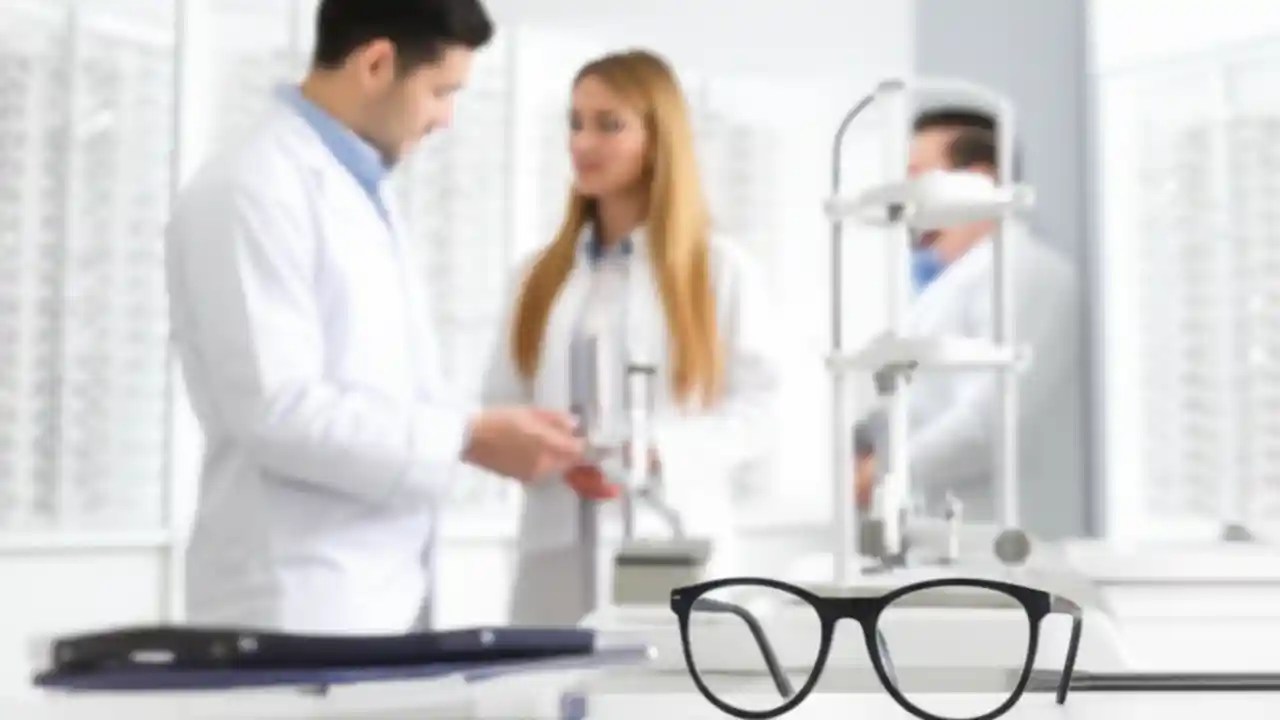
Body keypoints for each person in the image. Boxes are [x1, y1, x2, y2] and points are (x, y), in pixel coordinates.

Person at [165, 0, 586, 633]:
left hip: (382, 590)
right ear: (376, 63)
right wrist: (466, 436)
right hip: (296, 602)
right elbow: (277, 410)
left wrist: (477, 437)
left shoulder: (363, 191)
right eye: (441, 92)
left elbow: (380, 389)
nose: (446, 119)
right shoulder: (253, 187)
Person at [482, 50, 781, 625]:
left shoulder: (718, 270)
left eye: (608, 124)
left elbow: (763, 412)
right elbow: (500, 402)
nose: (583, 142)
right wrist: (543, 448)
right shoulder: (536, 277)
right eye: (575, 122)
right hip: (555, 549)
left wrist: (654, 451)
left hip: (671, 540)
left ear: (658, 138)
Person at [854, 108, 1085, 540]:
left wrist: (883, 473)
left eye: (918, 175)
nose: (907, 194)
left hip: (1000, 536)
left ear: (978, 181)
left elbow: (990, 422)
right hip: (940, 529)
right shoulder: (954, 280)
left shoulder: (1025, 273)